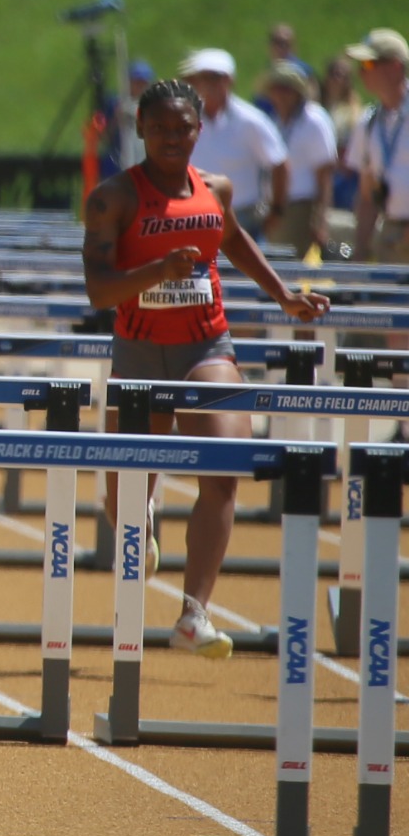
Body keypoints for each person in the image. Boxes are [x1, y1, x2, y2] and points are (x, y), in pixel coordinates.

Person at [82, 79, 328, 658]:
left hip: (205, 348)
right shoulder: (112, 198)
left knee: (223, 470)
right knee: (125, 495)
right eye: (161, 127)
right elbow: (98, 290)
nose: (172, 137)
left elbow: (235, 242)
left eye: (183, 128)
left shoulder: (215, 189)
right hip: (140, 356)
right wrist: (157, 272)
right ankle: (135, 521)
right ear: (140, 128)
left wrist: (285, 296)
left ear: (199, 130)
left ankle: (194, 613)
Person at [181, 48, 287, 239]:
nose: (209, 84)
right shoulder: (186, 120)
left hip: (244, 220)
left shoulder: (250, 120)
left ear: (229, 80)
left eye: (215, 77)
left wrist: (276, 210)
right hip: (195, 218)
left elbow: (279, 163)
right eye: (203, 78)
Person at [258, 61, 336, 254]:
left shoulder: (314, 120)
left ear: (297, 92)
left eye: (286, 89)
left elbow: (324, 174)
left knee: (290, 269)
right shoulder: (276, 120)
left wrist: (320, 220)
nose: (280, 94)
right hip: (275, 207)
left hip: (301, 207)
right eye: (276, 88)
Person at [345, 29, 409, 263]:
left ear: (395, 67)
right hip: (390, 233)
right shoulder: (369, 122)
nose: (361, 72)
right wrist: (360, 248)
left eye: (369, 64)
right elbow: (367, 194)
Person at [321, 55, 365, 211]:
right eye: (334, 73)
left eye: (343, 76)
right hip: (321, 173)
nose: (338, 79)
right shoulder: (318, 108)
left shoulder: (354, 112)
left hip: (344, 175)